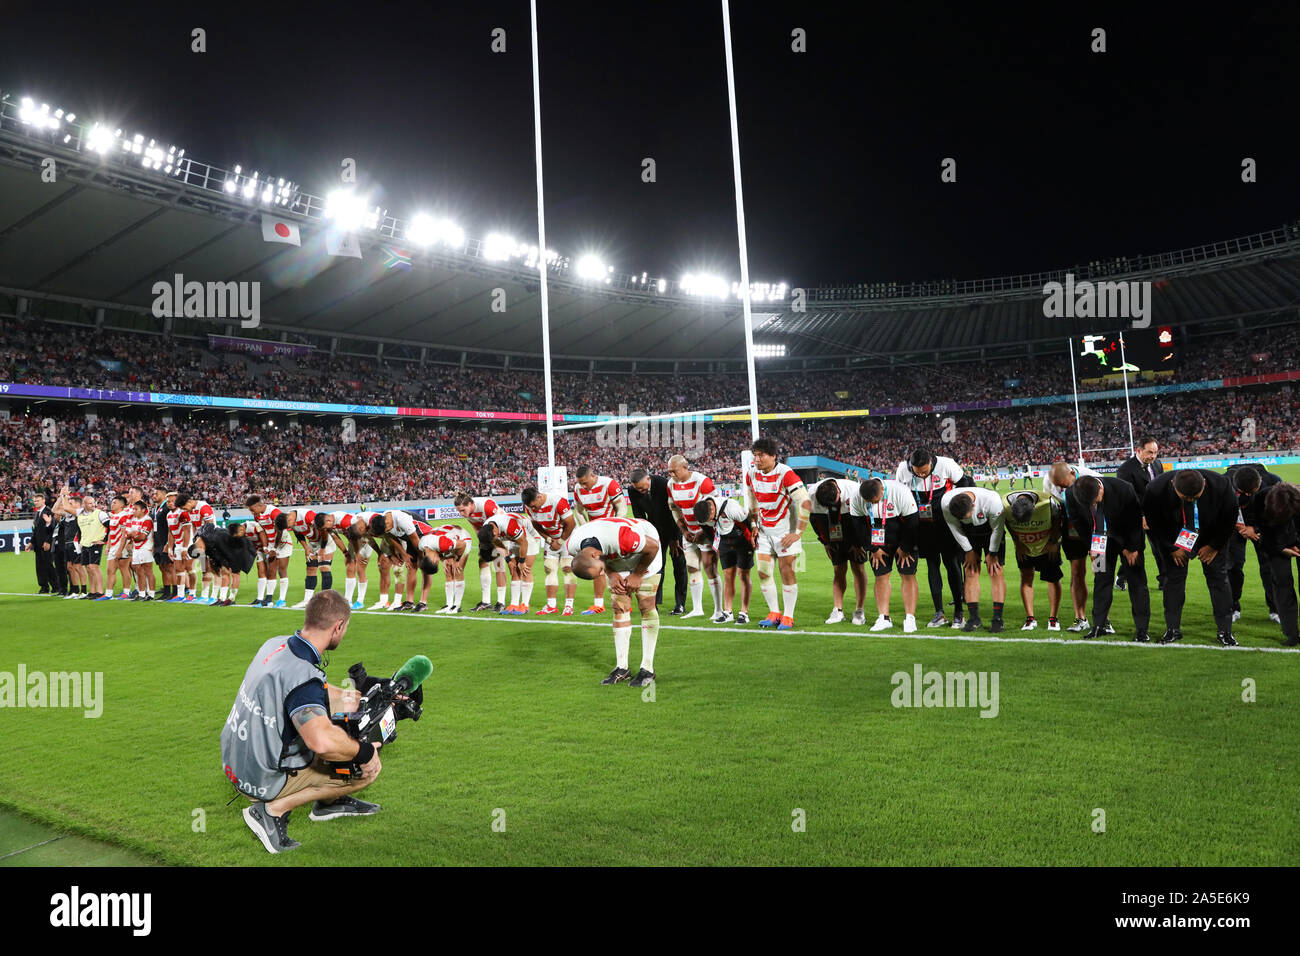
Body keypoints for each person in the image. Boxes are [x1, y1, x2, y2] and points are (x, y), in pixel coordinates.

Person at [221, 591, 382, 854]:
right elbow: (320, 741)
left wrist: (345, 697)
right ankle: (271, 811)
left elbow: (296, 687)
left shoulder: (276, 644)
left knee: (341, 733)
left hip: (237, 760)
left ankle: (330, 803)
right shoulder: (304, 681)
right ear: (338, 626)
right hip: (261, 777)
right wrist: (363, 752)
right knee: (365, 763)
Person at [1143, 469, 1239, 646]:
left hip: (1212, 536)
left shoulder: (1222, 485)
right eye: (1185, 497)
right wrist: (1171, 548)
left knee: (1219, 579)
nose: (1190, 500)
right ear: (1173, 485)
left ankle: (1225, 631)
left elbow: (1229, 518)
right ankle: (1172, 629)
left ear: (1204, 483)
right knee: (1173, 581)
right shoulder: (1155, 490)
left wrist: (1214, 546)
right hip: (1175, 537)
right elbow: (1154, 524)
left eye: (1195, 496)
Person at [568, 516, 663, 686]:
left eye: (600, 572)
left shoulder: (622, 537)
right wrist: (610, 574)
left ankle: (647, 668)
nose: (601, 575)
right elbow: (600, 563)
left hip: (645, 550)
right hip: (614, 556)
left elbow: (653, 547)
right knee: (619, 607)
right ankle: (622, 667)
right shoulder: (573, 546)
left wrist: (637, 574)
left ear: (595, 555)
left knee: (646, 605)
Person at [1067, 475, 1152, 642]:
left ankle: (1142, 630)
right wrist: (1091, 547)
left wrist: (1132, 548)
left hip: (1128, 542)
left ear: (1101, 489)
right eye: (1089, 504)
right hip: (1099, 547)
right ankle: (1098, 626)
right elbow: (1078, 522)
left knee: (1137, 583)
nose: (1092, 505)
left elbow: (1135, 521)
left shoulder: (1123, 488)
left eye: (1094, 501)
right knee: (1100, 582)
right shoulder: (1072, 493)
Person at [896, 448, 968, 628]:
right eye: (917, 472)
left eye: (925, 471)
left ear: (931, 462)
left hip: (946, 523)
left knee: (952, 564)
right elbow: (900, 495)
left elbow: (966, 484)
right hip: (922, 526)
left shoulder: (946, 464)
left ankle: (959, 612)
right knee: (932, 565)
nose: (921, 475)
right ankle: (939, 613)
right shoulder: (902, 470)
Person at [746, 436, 812, 630]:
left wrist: (798, 532)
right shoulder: (751, 474)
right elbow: (752, 501)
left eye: (761, 455)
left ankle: (788, 616)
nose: (757, 459)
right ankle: (774, 612)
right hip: (764, 531)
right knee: (763, 572)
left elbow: (805, 502)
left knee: (787, 571)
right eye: (755, 455)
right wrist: (754, 524)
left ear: (773, 456)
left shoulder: (786, 474)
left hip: (785, 532)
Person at [854, 478, 920, 633]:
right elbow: (857, 526)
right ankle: (883, 618)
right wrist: (872, 548)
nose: (873, 504)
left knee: (908, 574)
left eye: (875, 501)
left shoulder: (900, 492)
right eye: (869, 501)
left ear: (882, 491)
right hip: (878, 542)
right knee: (881, 576)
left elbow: (913, 523)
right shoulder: (858, 497)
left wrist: (905, 547)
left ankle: (910, 618)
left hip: (904, 538)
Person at [1044, 461, 1102, 632]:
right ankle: (1080, 618)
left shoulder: (1092, 478)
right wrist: (1054, 539)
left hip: (1095, 530)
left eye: (1063, 484)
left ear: (1071, 474)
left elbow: (1101, 510)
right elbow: (1055, 511)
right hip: (1071, 529)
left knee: (1100, 572)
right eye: (1058, 486)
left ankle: (1103, 619)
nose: (1062, 488)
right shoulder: (1048, 483)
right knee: (1077, 573)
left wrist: (1095, 542)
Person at [941, 485, 1007, 632]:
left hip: (991, 530)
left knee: (995, 571)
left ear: (974, 506)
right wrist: (969, 550)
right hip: (968, 535)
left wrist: (992, 553)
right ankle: (974, 618)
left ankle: (997, 619)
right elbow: (955, 528)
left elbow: (998, 529)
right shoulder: (946, 502)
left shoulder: (992, 501)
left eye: (967, 516)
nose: (966, 519)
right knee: (970, 572)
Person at [663, 457, 722, 619]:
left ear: (685, 467)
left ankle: (719, 610)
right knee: (692, 568)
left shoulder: (702, 482)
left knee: (710, 569)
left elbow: (714, 509)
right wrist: (683, 531)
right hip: (688, 534)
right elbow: (674, 509)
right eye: (669, 471)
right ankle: (697, 609)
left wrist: (702, 532)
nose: (671, 474)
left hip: (707, 532)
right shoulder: (670, 484)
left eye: (674, 470)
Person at [1224, 463, 1281, 623]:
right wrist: (1241, 526)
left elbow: (1278, 514)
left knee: (1269, 567)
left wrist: (1255, 528)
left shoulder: (1273, 483)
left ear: (1260, 481)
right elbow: (1221, 511)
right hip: (1235, 526)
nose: (1248, 495)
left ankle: (1275, 609)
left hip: (1264, 525)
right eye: (1244, 493)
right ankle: (1233, 607)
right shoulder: (1224, 484)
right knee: (1233, 567)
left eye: (1252, 492)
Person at [808, 476, 869, 625]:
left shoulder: (855, 491)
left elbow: (863, 521)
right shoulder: (812, 494)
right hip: (832, 529)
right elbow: (815, 519)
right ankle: (838, 610)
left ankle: (859, 610)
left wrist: (859, 544)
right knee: (838, 569)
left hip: (853, 522)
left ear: (838, 492)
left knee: (858, 569)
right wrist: (825, 542)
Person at [627, 469, 688, 614]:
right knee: (656, 567)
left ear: (648, 479)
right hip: (654, 532)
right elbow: (638, 515)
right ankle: (654, 603)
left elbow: (673, 511)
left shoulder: (664, 484)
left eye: (643, 487)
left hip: (674, 528)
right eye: (638, 489)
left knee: (679, 566)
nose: (641, 491)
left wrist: (674, 538)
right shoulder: (632, 490)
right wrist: (647, 535)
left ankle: (680, 604)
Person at [1003, 488, 1065, 631]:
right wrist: (1017, 542)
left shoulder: (1048, 503)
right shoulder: (1005, 504)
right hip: (1024, 546)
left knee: (1053, 579)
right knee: (1026, 577)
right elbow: (1006, 522)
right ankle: (1030, 619)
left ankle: (1053, 619)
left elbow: (1058, 520)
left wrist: (1053, 541)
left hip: (1047, 546)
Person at [693, 496, 755, 623]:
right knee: (728, 575)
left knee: (743, 575)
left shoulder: (731, 507)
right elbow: (706, 528)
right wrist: (716, 543)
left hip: (742, 539)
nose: (708, 521)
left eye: (709, 519)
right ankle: (728, 612)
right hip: (724, 541)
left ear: (712, 510)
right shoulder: (701, 511)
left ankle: (744, 613)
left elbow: (747, 522)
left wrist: (753, 540)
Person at [1115, 438, 1167, 590]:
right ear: (1138, 451)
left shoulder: (1157, 464)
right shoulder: (1125, 470)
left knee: (1159, 546)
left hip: (1156, 514)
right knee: (1137, 547)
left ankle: (1164, 581)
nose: (1153, 456)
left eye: (1156, 452)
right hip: (1135, 515)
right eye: (1150, 452)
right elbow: (1129, 498)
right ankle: (1122, 576)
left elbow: (1161, 487)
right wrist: (1141, 515)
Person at [522, 485, 578, 616]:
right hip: (551, 540)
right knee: (549, 568)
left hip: (568, 538)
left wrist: (560, 542)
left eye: (535, 506)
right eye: (531, 507)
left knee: (567, 568)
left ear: (540, 497)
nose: (534, 509)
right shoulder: (529, 507)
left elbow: (571, 524)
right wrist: (548, 540)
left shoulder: (558, 501)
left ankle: (569, 605)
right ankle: (551, 605)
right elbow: (535, 525)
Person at [1258, 482, 1300, 647]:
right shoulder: (1261, 499)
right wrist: (1280, 547)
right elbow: (1264, 533)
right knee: (1282, 584)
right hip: (1275, 544)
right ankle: (1291, 633)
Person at [26, 493, 57, 594]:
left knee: (48, 565)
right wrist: (31, 542)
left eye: (38, 500)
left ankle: (56, 586)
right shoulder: (37, 513)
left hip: (46, 544)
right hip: (38, 545)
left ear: (43, 500)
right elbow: (36, 531)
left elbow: (52, 528)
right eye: (34, 501)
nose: (36, 502)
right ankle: (44, 587)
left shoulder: (48, 511)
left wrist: (48, 541)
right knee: (39, 567)